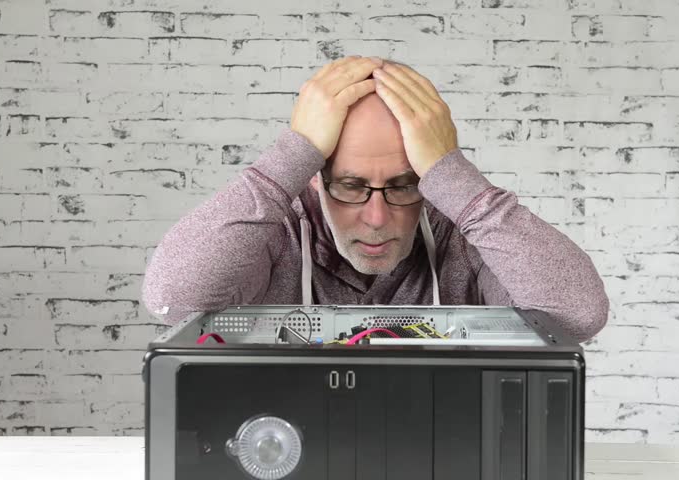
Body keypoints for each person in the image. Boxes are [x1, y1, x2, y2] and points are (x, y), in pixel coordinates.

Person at [141, 55, 609, 342]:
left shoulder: (465, 238)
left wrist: (454, 175)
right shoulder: (272, 236)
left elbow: (577, 317)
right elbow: (172, 301)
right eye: (351, 185)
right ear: (313, 178)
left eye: (403, 184)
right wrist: (292, 154)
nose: (377, 216)